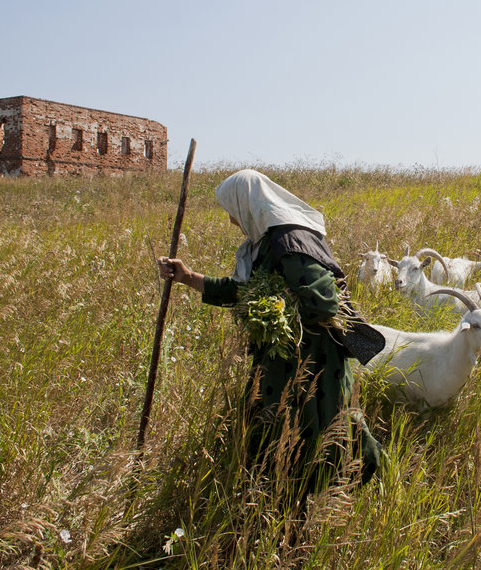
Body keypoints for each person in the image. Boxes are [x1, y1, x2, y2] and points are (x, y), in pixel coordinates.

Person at [157, 169, 384, 503]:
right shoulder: (268, 242)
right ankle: (285, 490)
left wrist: (278, 313)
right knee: (283, 426)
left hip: (311, 361)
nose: (232, 220)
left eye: (232, 211)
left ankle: (327, 492)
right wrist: (188, 277)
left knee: (320, 429)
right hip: (288, 359)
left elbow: (323, 302)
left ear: (247, 204)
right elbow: (243, 291)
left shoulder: (288, 242)